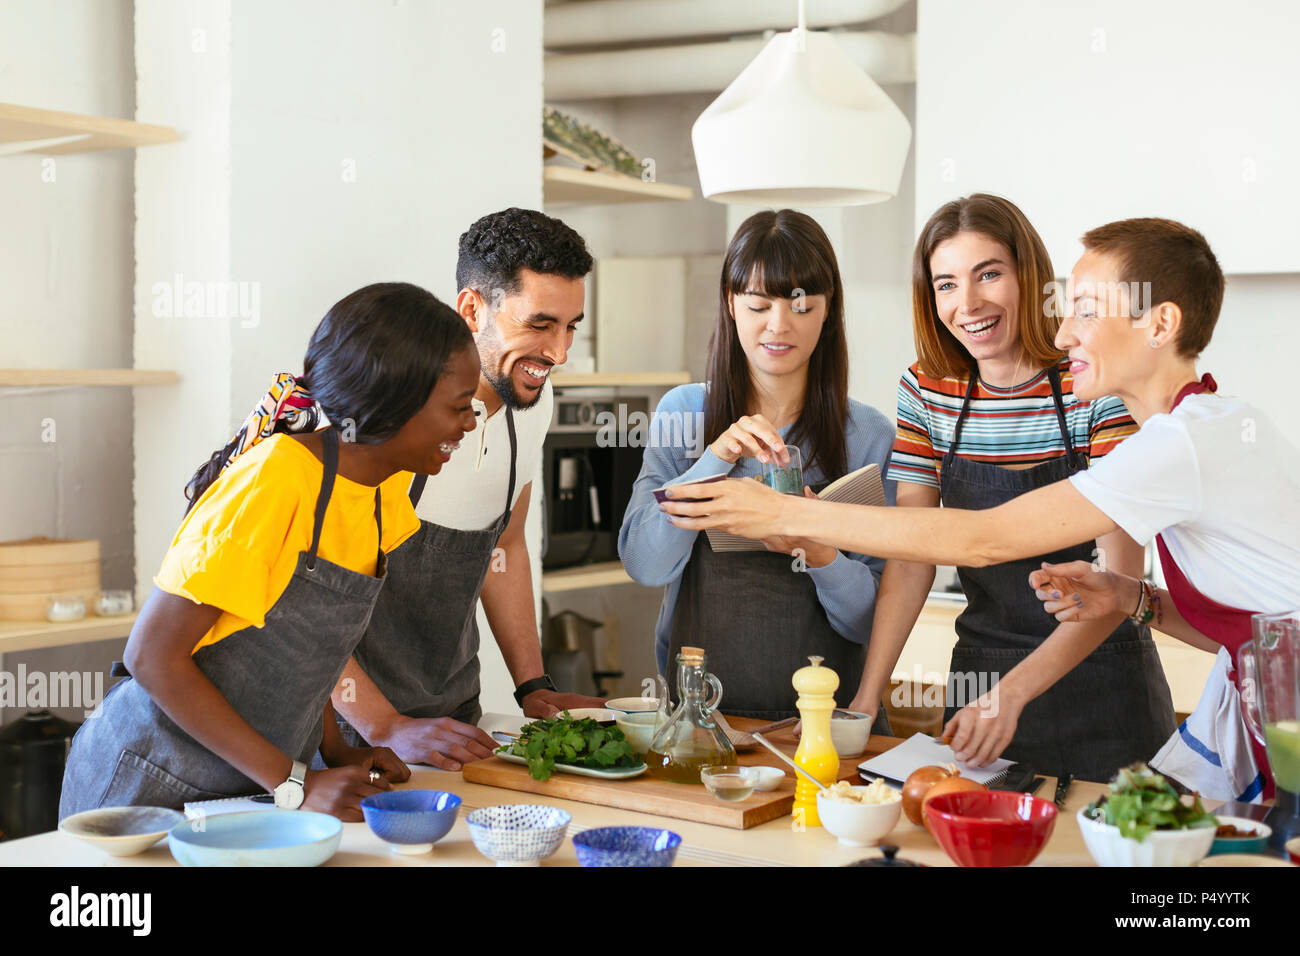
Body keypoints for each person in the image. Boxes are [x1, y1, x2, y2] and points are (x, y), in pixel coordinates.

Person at [661, 217, 1300, 794]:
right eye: (944, 283)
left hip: (1133, 695)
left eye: (1084, 309)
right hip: (1263, 704)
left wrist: (784, 513)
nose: (1065, 328)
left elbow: (984, 539)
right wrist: (1129, 599)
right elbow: (1257, 624)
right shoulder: (1189, 431)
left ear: (1160, 324)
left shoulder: (1177, 442)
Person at [60, 282, 476, 821]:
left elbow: (315, 645)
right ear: (393, 406)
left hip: (250, 789)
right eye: (459, 407)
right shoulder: (277, 480)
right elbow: (151, 657)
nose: (468, 423)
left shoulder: (382, 491)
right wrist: (295, 783)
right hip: (149, 785)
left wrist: (336, 750)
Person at [839, 194, 1172, 783]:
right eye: (945, 284)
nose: (967, 304)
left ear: (1030, 277)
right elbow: (913, 555)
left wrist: (1013, 695)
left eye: (988, 274)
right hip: (980, 680)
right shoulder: (927, 388)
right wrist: (867, 700)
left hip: (1105, 680)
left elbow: (1120, 576)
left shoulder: (1092, 380)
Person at [332, 208, 605, 770]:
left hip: (450, 721)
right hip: (344, 733)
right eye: (539, 324)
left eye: (571, 325)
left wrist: (533, 685)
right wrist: (383, 725)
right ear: (472, 309)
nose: (560, 352)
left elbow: (503, 545)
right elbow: (299, 598)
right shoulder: (388, 404)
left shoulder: (532, 401)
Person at [619, 209, 896, 721]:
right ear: (730, 304)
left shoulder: (869, 437)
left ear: (828, 309)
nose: (778, 325)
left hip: (831, 728)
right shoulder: (684, 414)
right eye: (758, 304)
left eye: (800, 305)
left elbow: (871, 623)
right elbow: (645, 563)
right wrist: (715, 459)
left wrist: (818, 552)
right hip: (701, 726)